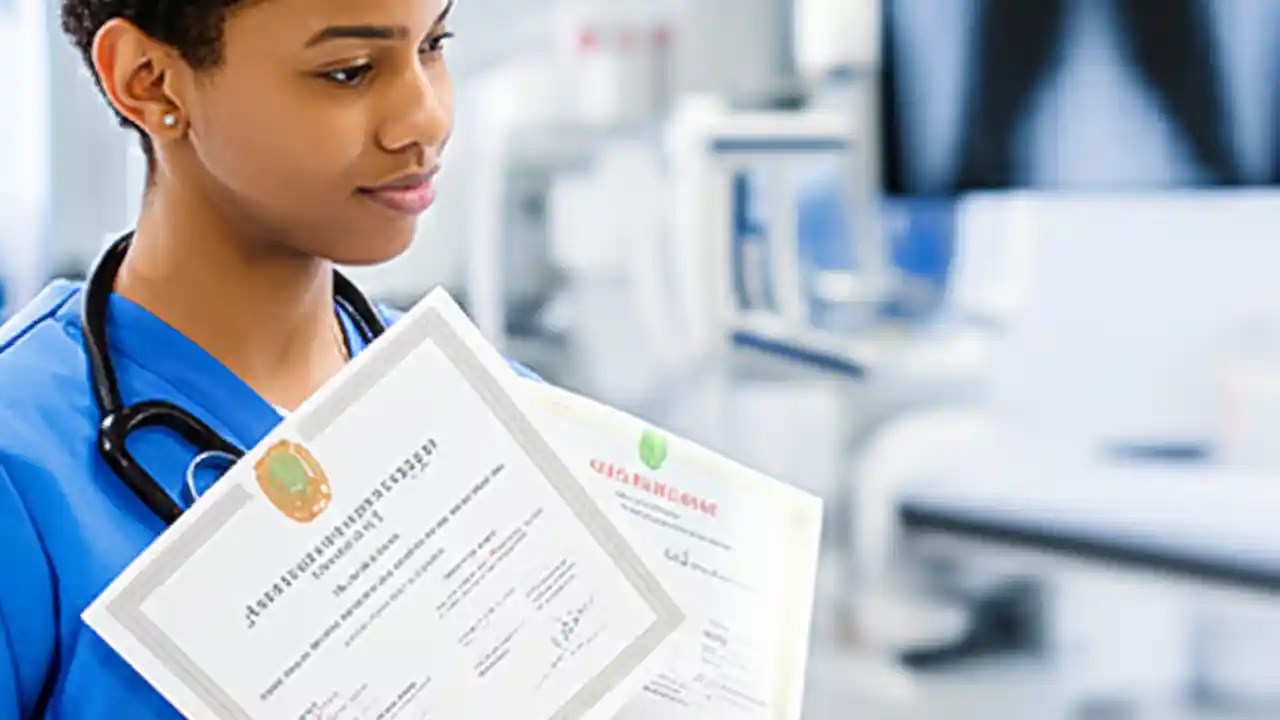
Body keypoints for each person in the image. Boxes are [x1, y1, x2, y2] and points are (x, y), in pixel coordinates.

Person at [0, 0, 532, 716]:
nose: (426, 118)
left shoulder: (500, 412)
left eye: (434, 44)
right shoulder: (23, 466)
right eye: (348, 72)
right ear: (151, 81)